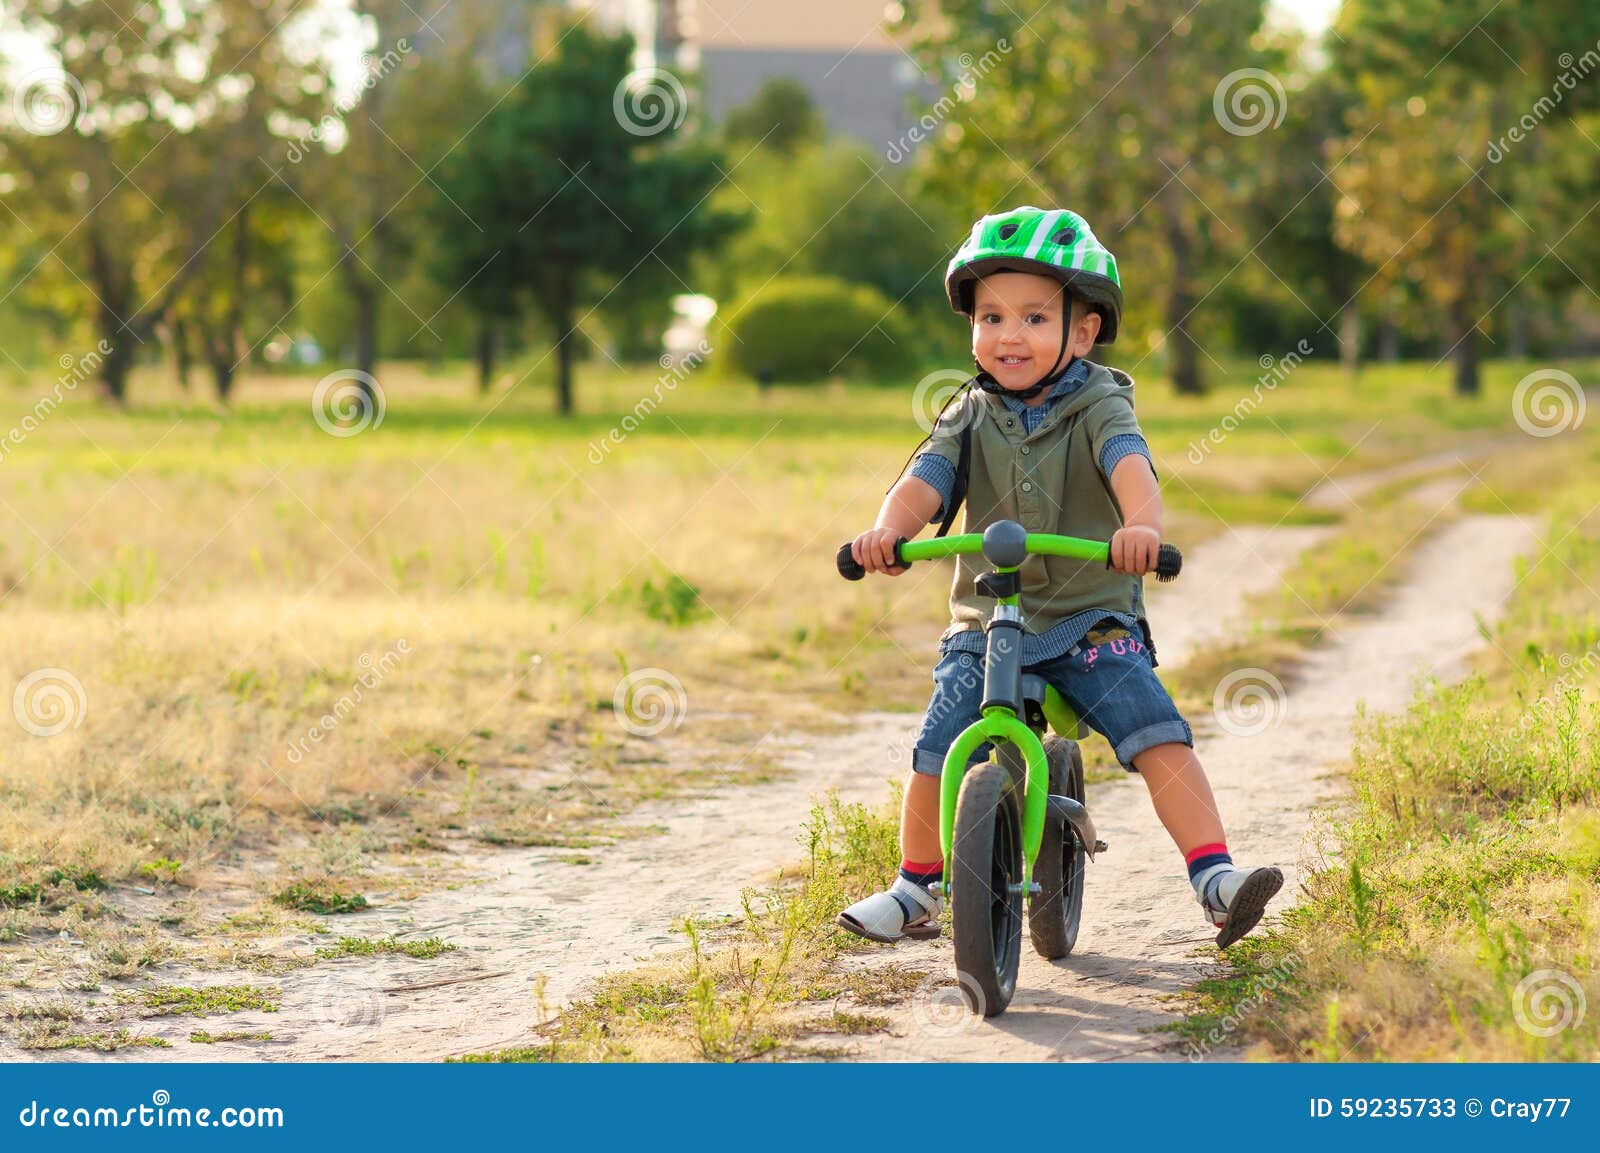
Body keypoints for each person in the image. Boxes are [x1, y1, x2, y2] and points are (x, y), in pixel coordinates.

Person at [838, 206, 1283, 950]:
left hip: (1088, 614)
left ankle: (1215, 877)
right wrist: (890, 530)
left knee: (1154, 732)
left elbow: (1128, 462)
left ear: (1082, 330)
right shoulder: (969, 409)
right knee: (938, 744)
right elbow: (926, 477)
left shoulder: (1098, 400)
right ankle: (915, 885)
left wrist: (1140, 526)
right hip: (987, 620)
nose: (1008, 335)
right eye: (990, 316)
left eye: (1035, 317)